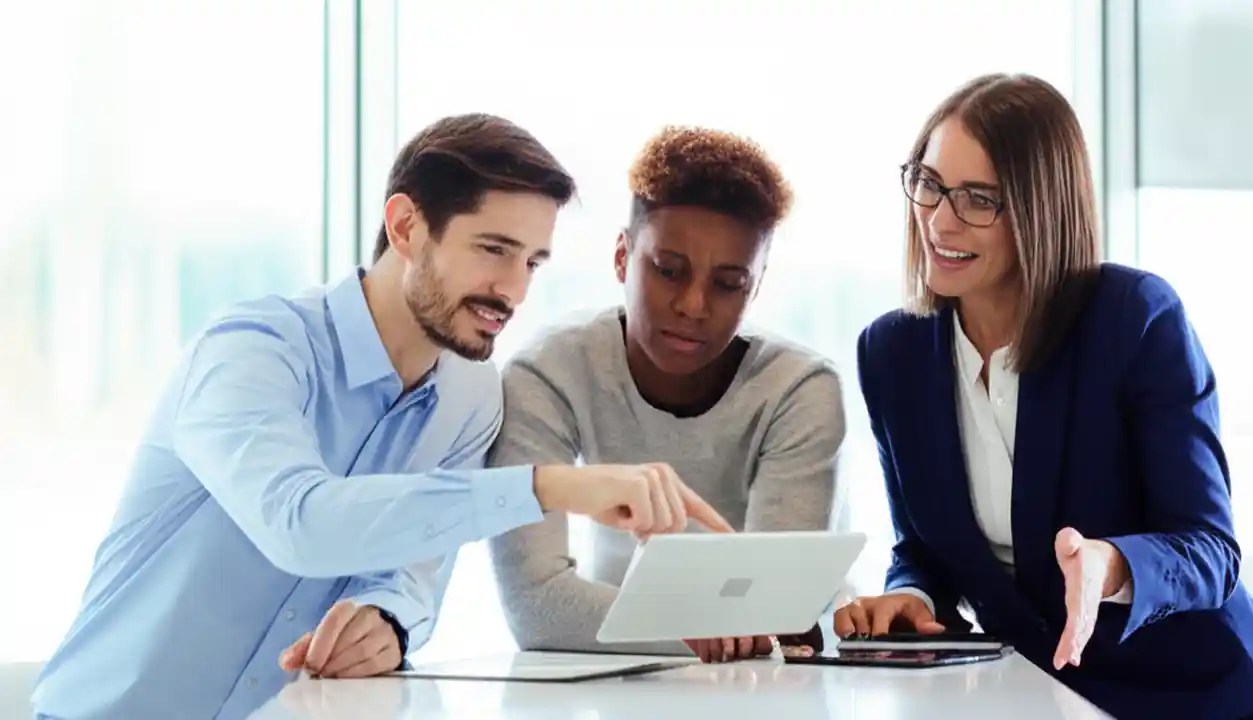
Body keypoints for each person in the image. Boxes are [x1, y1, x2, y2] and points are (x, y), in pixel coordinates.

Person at [31, 113, 731, 720]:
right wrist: (548, 486)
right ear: (405, 227)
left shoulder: (470, 397)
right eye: (493, 250)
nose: (513, 290)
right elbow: (300, 523)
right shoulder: (254, 352)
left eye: (533, 262)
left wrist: (389, 621)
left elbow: (411, 575)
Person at [834, 74, 1253, 719]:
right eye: (929, 184)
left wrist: (1113, 565)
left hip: (1195, 696)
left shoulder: (1135, 320)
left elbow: (1210, 550)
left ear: (1041, 210)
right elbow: (923, 546)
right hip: (1038, 696)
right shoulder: (892, 353)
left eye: (978, 199)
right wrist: (914, 596)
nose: (939, 220)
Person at [488, 125, 846, 663]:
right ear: (621, 257)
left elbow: (776, 614)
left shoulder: (799, 390)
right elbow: (536, 607)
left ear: (757, 285)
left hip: (774, 685)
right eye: (668, 270)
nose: (693, 305)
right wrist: (705, 628)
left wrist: (735, 628)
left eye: (729, 283)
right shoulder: (546, 373)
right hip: (618, 676)